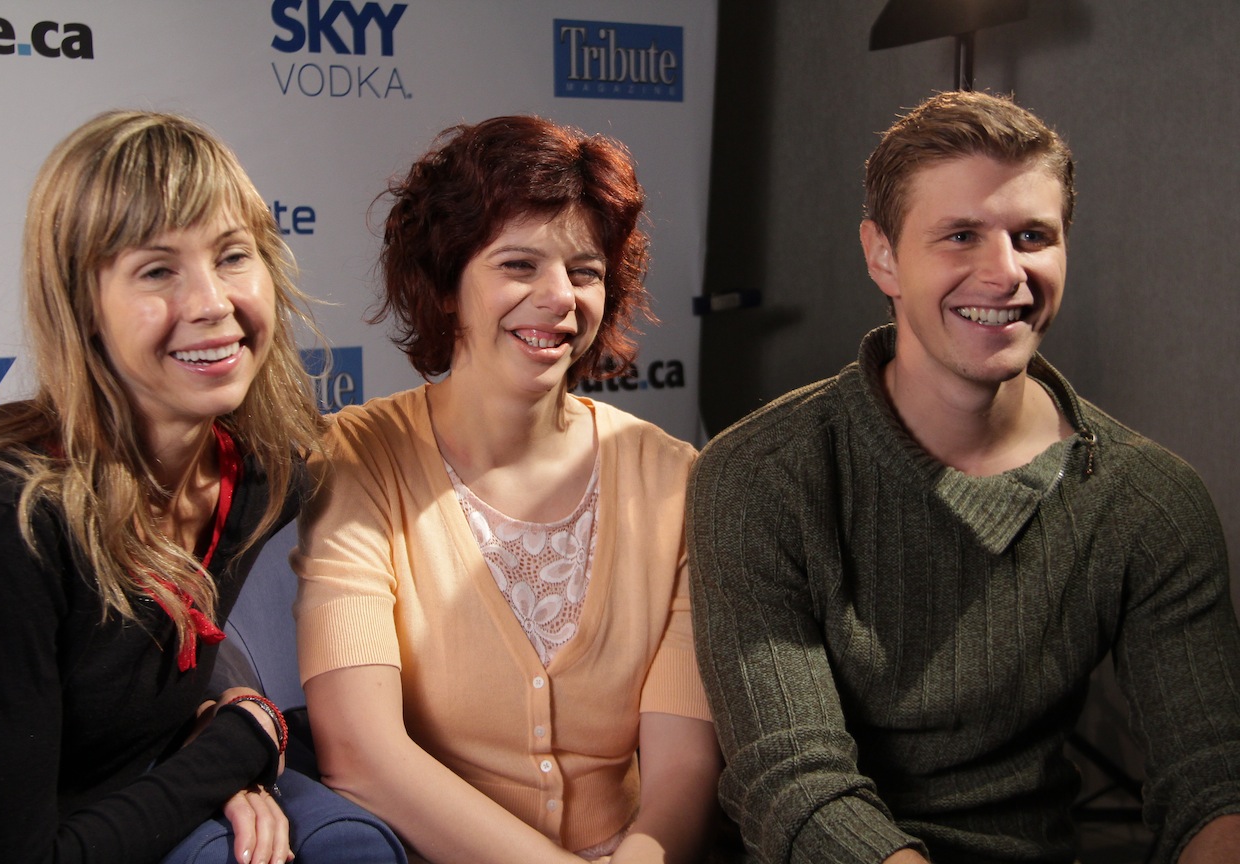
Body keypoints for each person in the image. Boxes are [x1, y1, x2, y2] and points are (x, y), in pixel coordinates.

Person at [686, 90, 1240, 864]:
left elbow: (1214, 782)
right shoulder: (759, 475)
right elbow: (792, 784)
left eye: (1033, 236)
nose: (1005, 272)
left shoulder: (1148, 499)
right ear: (882, 255)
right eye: (960, 235)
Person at [0, 110, 405, 864]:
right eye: (158, 271)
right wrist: (235, 747)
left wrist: (214, 731)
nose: (212, 304)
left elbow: (142, 687)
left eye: (232, 256)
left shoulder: (262, 477)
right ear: (82, 307)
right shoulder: (1, 517)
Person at [292, 115, 722, 863]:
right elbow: (361, 759)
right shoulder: (358, 458)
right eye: (519, 266)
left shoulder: (676, 478)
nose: (560, 298)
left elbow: (682, 768)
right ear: (446, 284)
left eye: (585, 272)